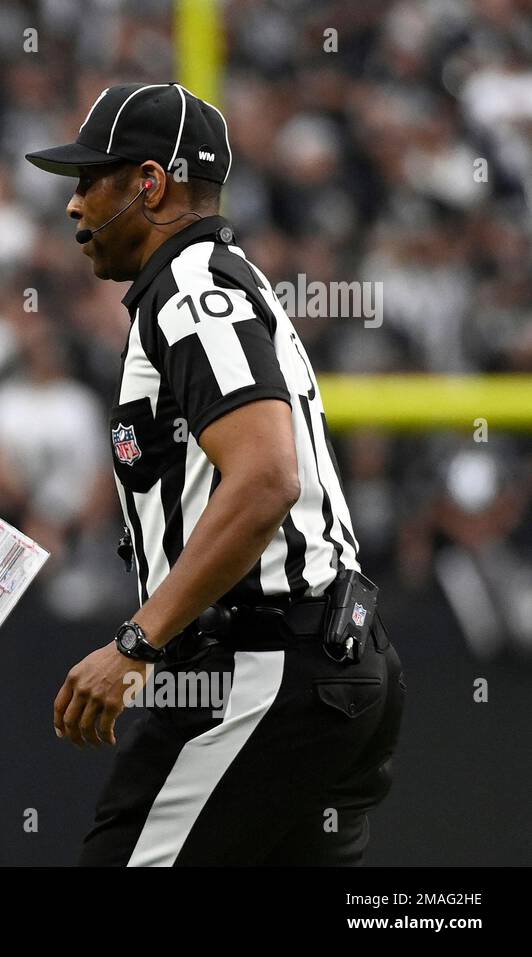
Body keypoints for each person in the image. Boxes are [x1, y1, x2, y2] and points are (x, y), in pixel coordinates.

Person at [25, 82, 405, 865]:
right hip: (317, 662)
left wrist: (136, 642)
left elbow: (267, 478)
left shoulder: (192, 287)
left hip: (267, 666)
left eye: (89, 179)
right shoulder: (210, 283)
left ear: (150, 184)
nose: (73, 205)